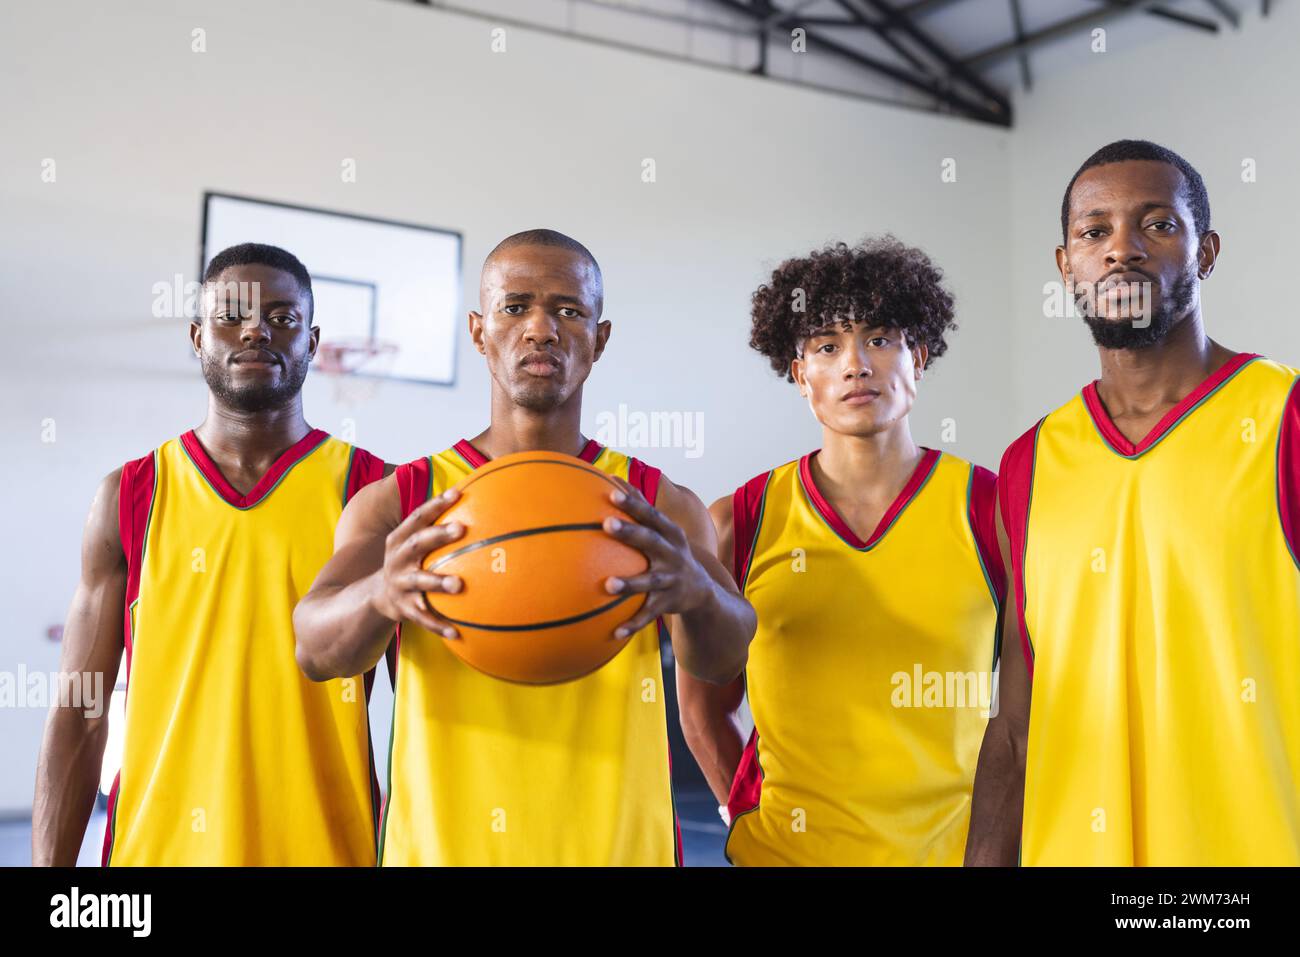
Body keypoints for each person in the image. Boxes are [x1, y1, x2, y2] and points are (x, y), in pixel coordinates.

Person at [293, 229, 756, 866]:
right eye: (515, 307)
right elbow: (315, 650)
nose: (541, 329)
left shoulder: (656, 501)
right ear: (480, 331)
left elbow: (725, 659)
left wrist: (697, 592)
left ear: (600, 337)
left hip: (620, 852)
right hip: (443, 852)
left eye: (569, 310)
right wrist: (383, 592)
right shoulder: (405, 500)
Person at [965, 140, 1300, 866]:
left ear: (1205, 251)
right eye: (1094, 231)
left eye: (1157, 224)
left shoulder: (1285, 416)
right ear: (1066, 266)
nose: (1122, 250)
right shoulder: (1028, 463)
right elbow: (1018, 724)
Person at [32, 243, 390, 866]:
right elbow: (80, 711)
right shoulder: (131, 496)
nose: (255, 329)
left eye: (282, 318)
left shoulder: (375, 495)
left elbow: (425, 713)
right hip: (157, 855)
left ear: (312, 342)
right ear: (198, 337)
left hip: (330, 851)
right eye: (232, 315)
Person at [680, 237, 1004, 865]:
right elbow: (700, 708)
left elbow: (1030, 705)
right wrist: (745, 817)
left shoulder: (990, 509)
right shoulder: (739, 521)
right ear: (800, 374)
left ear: (919, 355)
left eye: (881, 339)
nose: (856, 364)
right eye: (828, 346)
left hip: (950, 853)